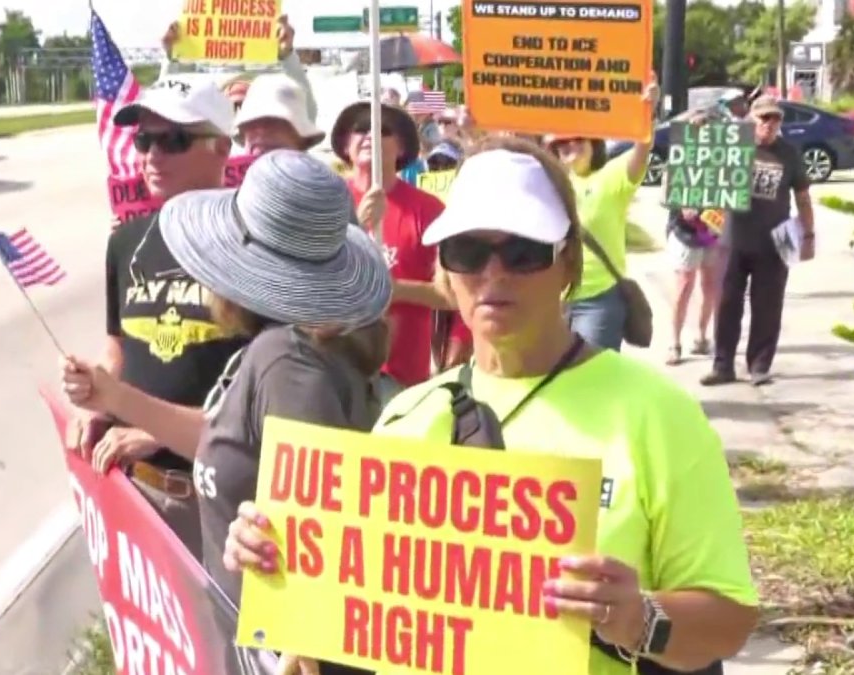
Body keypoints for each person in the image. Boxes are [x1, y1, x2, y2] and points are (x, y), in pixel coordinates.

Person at [221, 136, 759, 675]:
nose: (493, 275)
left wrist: (638, 618)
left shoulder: (657, 415)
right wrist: (280, 568)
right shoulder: (407, 417)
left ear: (567, 261)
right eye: (469, 252)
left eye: (524, 252)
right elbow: (342, 629)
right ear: (445, 269)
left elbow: (729, 622)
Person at [61, 150, 392, 607]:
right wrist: (113, 397)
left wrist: (255, 546)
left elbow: (321, 548)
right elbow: (221, 437)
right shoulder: (277, 348)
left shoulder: (287, 364)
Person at [66, 77, 243, 559]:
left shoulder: (253, 245)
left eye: (174, 140)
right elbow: (118, 347)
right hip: (137, 489)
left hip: (218, 498)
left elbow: (264, 390)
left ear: (222, 147)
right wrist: (94, 401)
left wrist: (154, 429)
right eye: (144, 139)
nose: (152, 155)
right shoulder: (127, 241)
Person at [330, 101, 452, 389]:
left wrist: (395, 290)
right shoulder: (326, 201)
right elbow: (305, 280)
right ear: (346, 146)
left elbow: (452, 295)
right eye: (360, 128)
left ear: (401, 148)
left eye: (383, 130)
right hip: (335, 367)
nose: (370, 135)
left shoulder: (429, 210)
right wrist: (355, 230)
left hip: (403, 376)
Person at [703, 95, 815, 387]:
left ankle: (760, 366)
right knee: (727, 305)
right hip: (732, 238)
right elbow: (702, 173)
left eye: (775, 118)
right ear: (750, 119)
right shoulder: (731, 147)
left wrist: (809, 235)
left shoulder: (789, 153)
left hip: (776, 241)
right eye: (764, 118)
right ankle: (722, 365)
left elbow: (802, 197)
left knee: (768, 306)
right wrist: (694, 203)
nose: (769, 123)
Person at [549, 75, 660, 350]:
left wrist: (648, 110)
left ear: (593, 142)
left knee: (592, 380)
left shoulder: (611, 177)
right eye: (563, 144)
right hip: (552, 300)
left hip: (599, 300)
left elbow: (642, 147)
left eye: (578, 139)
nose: (570, 146)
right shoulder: (549, 183)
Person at [160, 16, 316, 120]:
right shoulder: (205, 136)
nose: (240, 110)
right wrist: (174, 56)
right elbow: (170, 111)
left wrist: (287, 56)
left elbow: (306, 117)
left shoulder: (271, 137)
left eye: (243, 104)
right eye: (236, 105)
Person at [665, 207, 724, 365]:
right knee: (684, 287)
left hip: (714, 233)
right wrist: (680, 209)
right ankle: (674, 343)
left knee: (710, 287)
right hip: (686, 235)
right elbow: (669, 191)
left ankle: (702, 338)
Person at [233, 73, 326, 156]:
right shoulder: (223, 172)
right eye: (250, 123)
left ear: (302, 141)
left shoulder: (319, 175)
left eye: (272, 121)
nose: (260, 130)